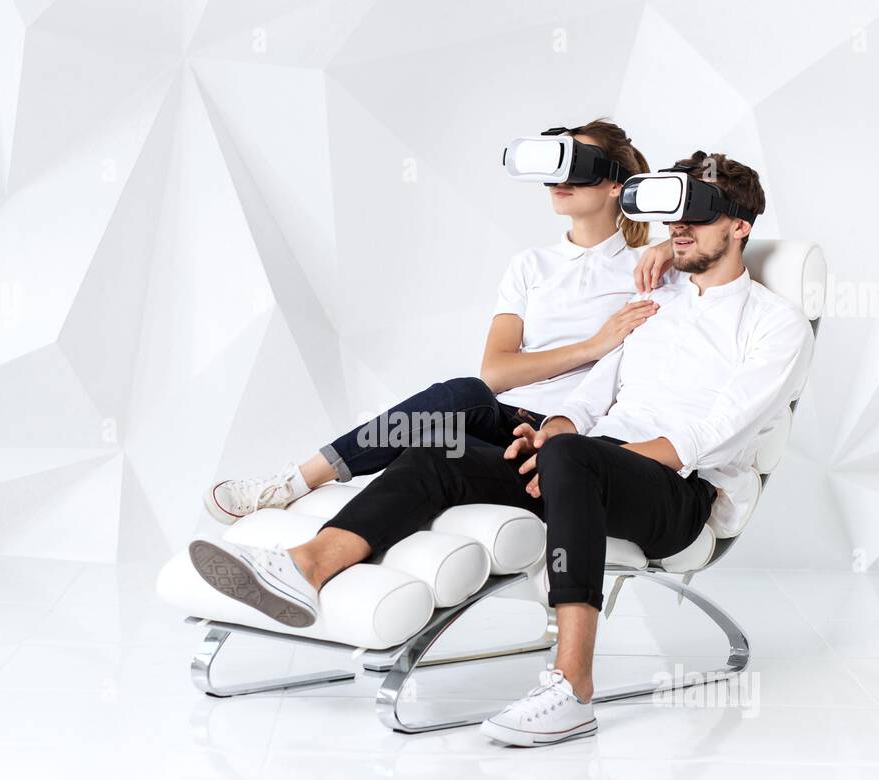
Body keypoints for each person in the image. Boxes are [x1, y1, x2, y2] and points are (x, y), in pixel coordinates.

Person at [187, 150, 816, 747]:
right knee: (443, 453)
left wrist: (579, 457)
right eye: (672, 215)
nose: (678, 229)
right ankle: (308, 565)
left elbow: (707, 440)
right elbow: (596, 394)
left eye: (696, 217)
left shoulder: (774, 323)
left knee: (573, 454)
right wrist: (555, 433)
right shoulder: (658, 297)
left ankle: (572, 688)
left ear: (739, 227)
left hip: (676, 496)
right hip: (589, 464)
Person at [203, 119, 677, 523]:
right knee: (462, 395)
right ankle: (291, 484)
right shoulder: (530, 266)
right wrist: (592, 346)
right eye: (556, 165)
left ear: (617, 183)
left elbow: (728, 241)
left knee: (435, 428)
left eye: (579, 167)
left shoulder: (647, 268)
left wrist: (669, 245)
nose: (560, 180)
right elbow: (496, 373)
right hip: (497, 418)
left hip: (563, 435)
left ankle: (355, 469)